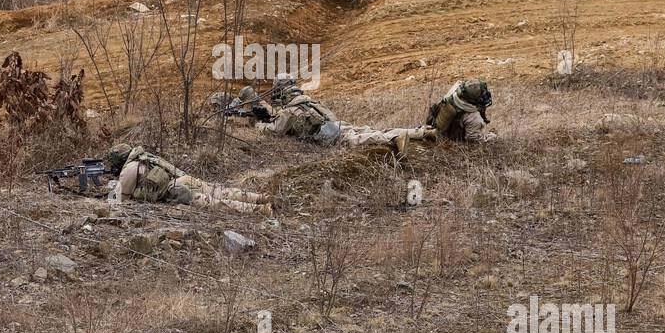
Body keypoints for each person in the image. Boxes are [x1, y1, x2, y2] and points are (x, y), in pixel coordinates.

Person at [253, 75, 435, 155]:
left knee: (371, 137)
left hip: (335, 136)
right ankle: (420, 131)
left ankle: (398, 137)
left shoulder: (289, 110)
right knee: (376, 130)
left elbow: (274, 131)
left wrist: (258, 125)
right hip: (339, 126)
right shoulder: (307, 101)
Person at [105, 144, 272, 214]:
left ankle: (261, 210)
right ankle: (260, 198)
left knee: (216, 203)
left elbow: (122, 199)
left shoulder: (129, 168)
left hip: (176, 190)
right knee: (221, 191)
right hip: (184, 179)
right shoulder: (145, 157)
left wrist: (112, 186)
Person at [427, 78, 493, 143]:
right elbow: (473, 138)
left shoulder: (453, 93)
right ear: (473, 99)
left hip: (437, 126)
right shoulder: (473, 117)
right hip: (450, 140)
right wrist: (489, 137)